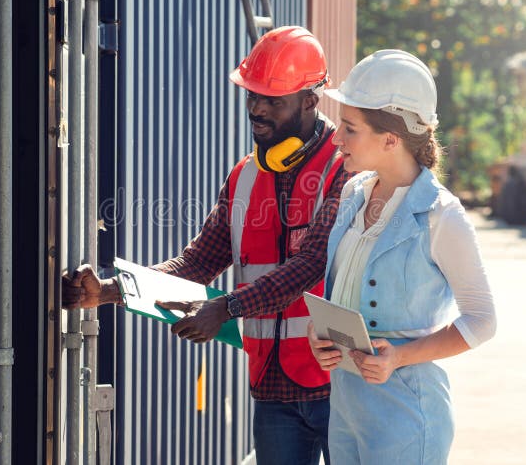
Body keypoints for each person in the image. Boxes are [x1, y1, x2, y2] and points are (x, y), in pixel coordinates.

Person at [63, 26, 352, 465]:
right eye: (252, 96)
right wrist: (107, 291)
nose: (256, 109)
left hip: (339, 382)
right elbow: (197, 263)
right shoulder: (244, 177)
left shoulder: (344, 167)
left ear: (311, 100)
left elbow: (312, 264)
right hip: (271, 386)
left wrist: (226, 309)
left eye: (272, 100)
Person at [307, 49, 496, 464]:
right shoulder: (353, 194)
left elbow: (483, 320)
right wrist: (322, 339)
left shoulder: (441, 216)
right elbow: (346, 294)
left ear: (391, 138)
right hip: (346, 408)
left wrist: (401, 356)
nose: (337, 139)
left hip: (408, 414)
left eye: (350, 128)